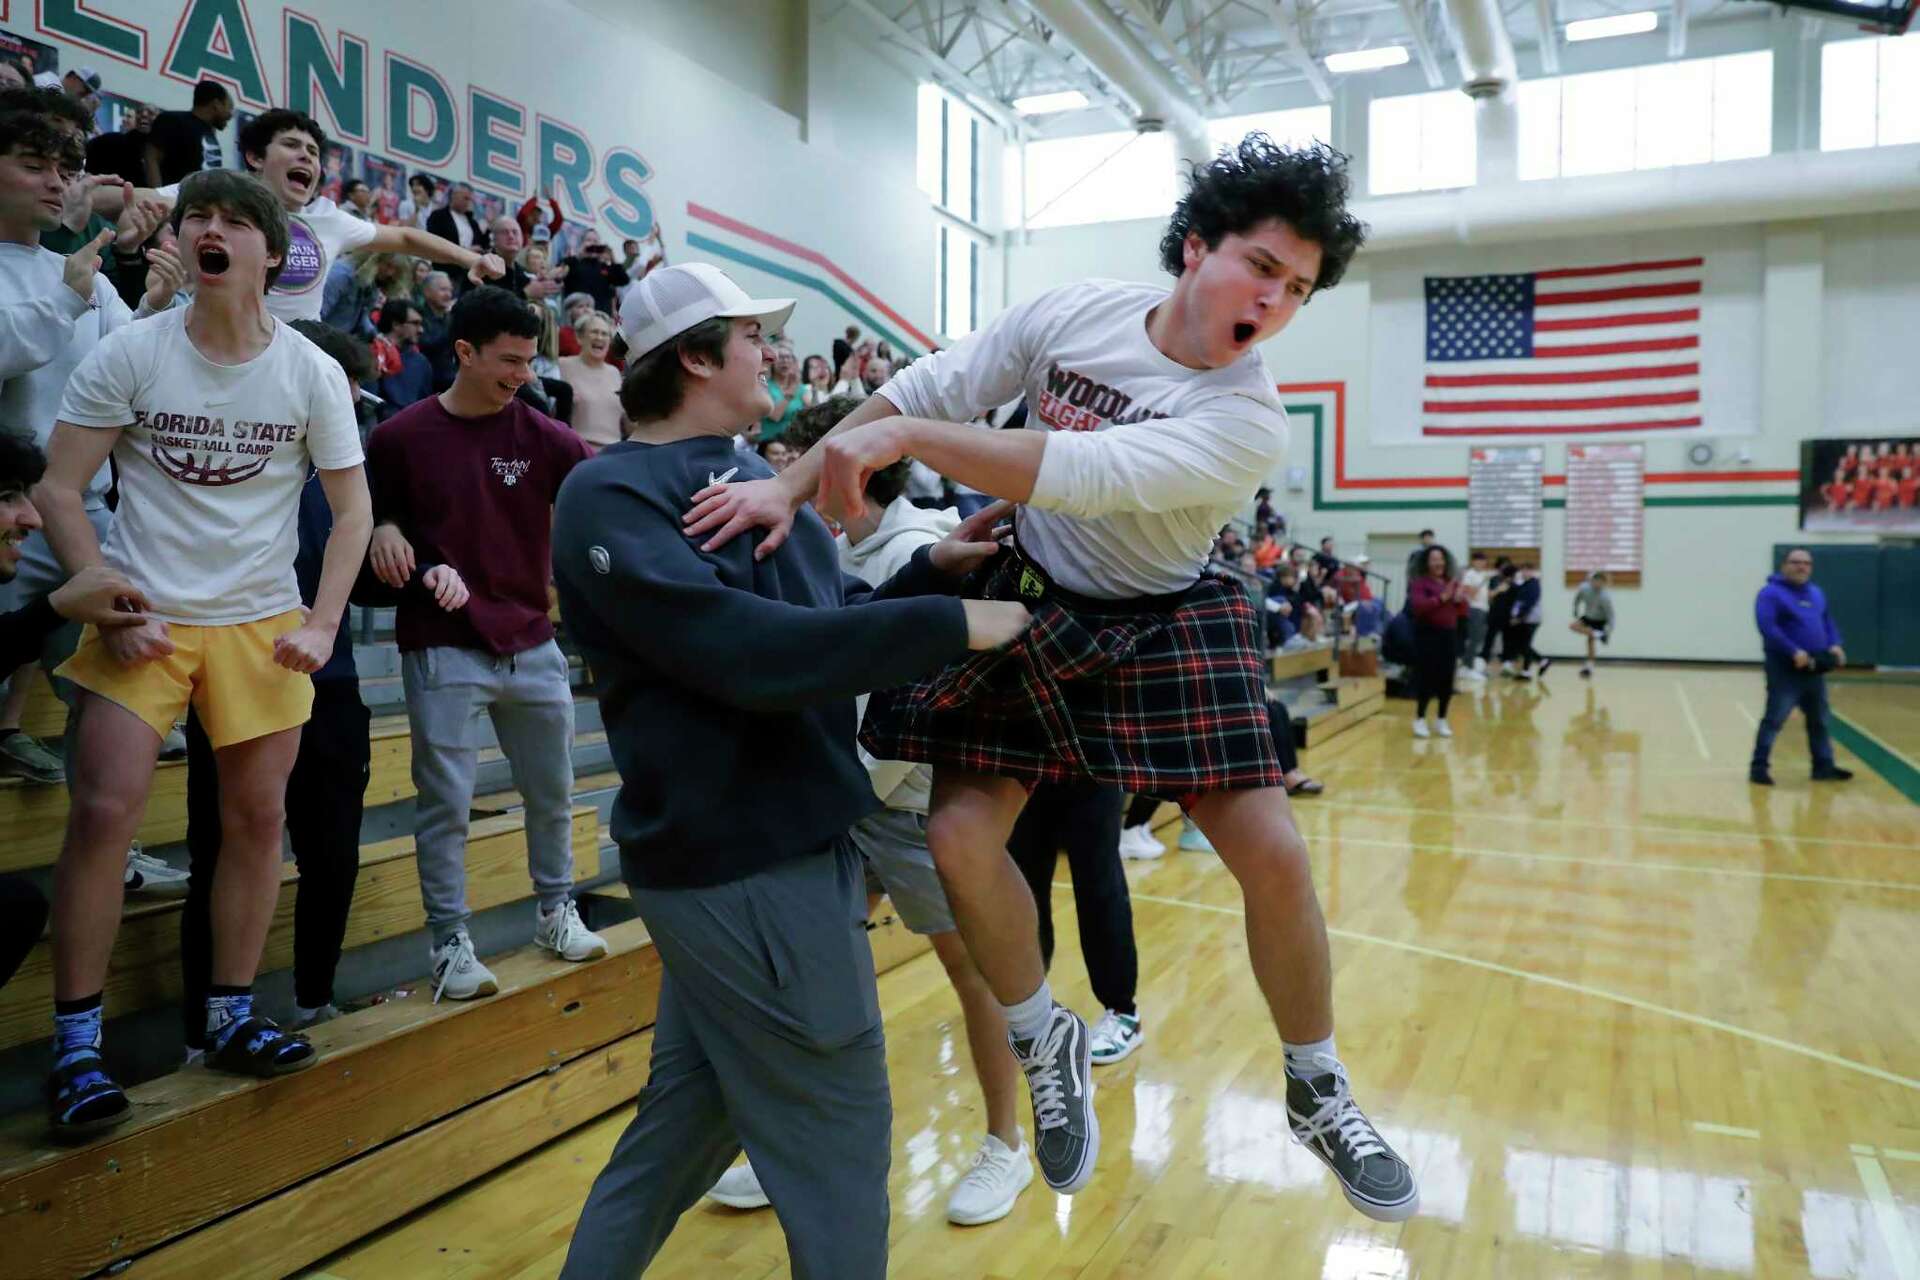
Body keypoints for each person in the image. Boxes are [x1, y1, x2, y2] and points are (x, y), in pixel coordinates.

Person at [685, 137, 1418, 1220]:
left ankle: (1315, 1081)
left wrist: (897, 435)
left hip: (1170, 615)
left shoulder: (1247, 417)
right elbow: (935, 380)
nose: (1276, 298)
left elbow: (1075, 474)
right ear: (1197, 246)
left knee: (1273, 852)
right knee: (954, 839)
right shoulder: (1074, 312)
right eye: (1263, 266)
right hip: (1039, 591)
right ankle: (1044, 1034)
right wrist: (789, 485)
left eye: (1300, 288)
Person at [550, 263, 1029, 1278]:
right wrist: (953, 623)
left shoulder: (762, 487)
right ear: (693, 356)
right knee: (840, 1138)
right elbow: (748, 654)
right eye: (753, 337)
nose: (773, 353)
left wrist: (921, 575)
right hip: (740, 867)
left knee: (681, 1130)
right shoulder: (608, 494)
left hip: (799, 852)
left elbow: (818, 635)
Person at [35, 169, 371, 1135]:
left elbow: (352, 515)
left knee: (259, 822)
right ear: (180, 244)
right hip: (145, 617)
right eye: (198, 220)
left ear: (271, 252)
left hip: (261, 623)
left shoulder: (310, 370)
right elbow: (61, 490)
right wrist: (102, 596)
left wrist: (318, 625)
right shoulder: (134, 352)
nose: (212, 232)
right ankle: (77, 1049)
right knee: (103, 814)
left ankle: (229, 1013)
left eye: (234, 221)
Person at [705, 391, 1037, 1227]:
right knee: (806, 974)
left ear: (859, 471)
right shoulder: (821, 543)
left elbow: (931, 692)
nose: (786, 475)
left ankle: (1008, 1145)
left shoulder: (919, 546)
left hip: (906, 794)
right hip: (838, 790)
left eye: (804, 462)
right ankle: (792, 1145)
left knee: (975, 977)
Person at [178, 320, 470, 1049]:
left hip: (329, 685)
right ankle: (198, 1027)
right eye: (332, 396)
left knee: (333, 853)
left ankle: (312, 999)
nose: (343, 414)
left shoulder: (352, 486)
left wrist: (414, 563)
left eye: (350, 399)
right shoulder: (237, 462)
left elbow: (366, 583)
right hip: (232, 680)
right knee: (216, 854)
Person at [365, 286, 606, 1003]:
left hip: (532, 641)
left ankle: (556, 911)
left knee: (553, 791)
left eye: (530, 361)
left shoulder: (544, 436)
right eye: (508, 362)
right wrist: (386, 528)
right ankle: (450, 944)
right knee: (446, 803)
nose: (522, 376)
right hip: (443, 644)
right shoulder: (398, 438)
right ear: (464, 354)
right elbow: (368, 518)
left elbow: (604, 493)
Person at [0, 91, 176, 814]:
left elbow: (116, 384)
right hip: (8, 514)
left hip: (81, 512)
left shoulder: (86, 274)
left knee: (101, 693)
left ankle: (114, 848)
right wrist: (68, 301)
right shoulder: (73, 283)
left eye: (65, 169)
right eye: (33, 165)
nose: (54, 181)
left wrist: (155, 308)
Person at [135, 110, 505, 324]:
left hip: (295, 360)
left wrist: (471, 257)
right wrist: (90, 196)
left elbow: (407, 240)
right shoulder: (215, 192)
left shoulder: (330, 218)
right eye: (292, 146)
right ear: (256, 158)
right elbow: (134, 199)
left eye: (313, 153)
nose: (306, 158)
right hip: (213, 340)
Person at [1749, 548, 1852, 787]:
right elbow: (1768, 627)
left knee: (1820, 720)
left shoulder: (1816, 593)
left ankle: (1823, 766)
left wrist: (1835, 644)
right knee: (1774, 720)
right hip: (1785, 669)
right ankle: (1759, 768)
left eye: (1806, 563)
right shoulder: (1770, 594)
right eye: (1796, 562)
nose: (1801, 567)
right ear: (1784, 565)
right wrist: (1793, 650)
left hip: (1814, 669)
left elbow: (1827, 621)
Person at [1407, 544, 1466, 738]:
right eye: (1434, 559)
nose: (1438, 563)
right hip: (1427, 635)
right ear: (1427, 563)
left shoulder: (1451, 582)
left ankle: (1441, 718)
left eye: (1440, 559)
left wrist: (1459, 600)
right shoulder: (1420, 583)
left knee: (1446, 678)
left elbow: (1462, 612)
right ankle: (1420, 718)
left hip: (1448, 635)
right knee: (1427, 677)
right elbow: (1418, 607)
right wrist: (1442, 598)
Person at [559, 310, 622, 449]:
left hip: (613, 452)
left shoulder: (615, 373)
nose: (599, 337)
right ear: (580, 337)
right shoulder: (562, 365)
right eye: (594, 332)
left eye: (605, 334)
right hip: (576, 449)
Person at [370, 297, 434, 416]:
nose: (421, 330)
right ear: (396, 325)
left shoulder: (421, 362)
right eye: (415, 323)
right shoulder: (373, 354)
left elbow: (424, 404)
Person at [424, 181, 486, 278]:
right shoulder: (438, 216)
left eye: (470, 200)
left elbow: (481, 245)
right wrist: (464, 251)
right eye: (465, 198)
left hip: (468, 274)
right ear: (454, 195)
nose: (468, 202)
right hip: (445, 270)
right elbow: (433, 242)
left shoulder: (473, 223)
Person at [1505, 563, 1549, 680]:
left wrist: (1519, 617)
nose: (1524, 573)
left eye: (1527, 571)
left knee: (1524, 644)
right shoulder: (1525, 584)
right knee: (1523, 645)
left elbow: (1529, 603)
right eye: (1522, 571)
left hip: (1531, 620)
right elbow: (1518, 595)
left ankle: (1529, 670)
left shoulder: (1533, 585)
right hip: (1525, 619)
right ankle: (1540, 663)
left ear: (1532, 571)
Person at [757, 342, 805, 442]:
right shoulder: (763, 385)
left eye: (788, 357)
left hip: (794, 443)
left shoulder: (800, 388)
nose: (785, 361)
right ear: (772, 362)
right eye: (781, 357)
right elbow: (774, 416)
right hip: (771, 444)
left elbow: (812, 412)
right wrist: (790, 394)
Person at [1569, 570, 1614, 678]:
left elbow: (1611, 616)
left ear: (1604, 584)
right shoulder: (1584, 588)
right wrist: (1575, 609)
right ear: (1591, 581)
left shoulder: (1605, 597)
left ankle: (1589, 667)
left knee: (1590, 642)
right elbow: (1578, 598)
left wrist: (1609, 630)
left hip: (1600, 620)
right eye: (1595, 581)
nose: (1597, 584)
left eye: (1600, 583)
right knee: (1573, 626)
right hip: (1588, 617)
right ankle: (1598, 634)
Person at [1459, 550, 1491, 679]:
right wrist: (1483, 582)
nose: (1481, 563)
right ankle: (1468, 667)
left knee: (1478, 639)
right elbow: (1470, 594)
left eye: (1483, 561)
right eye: (1478, 560)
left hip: (1483, 609)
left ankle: (1467, 664)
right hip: (1474, 609)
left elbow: (1485, 595)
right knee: (1473, 639)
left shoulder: (1483, 574)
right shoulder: (1469, 575)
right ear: (1473, 562)